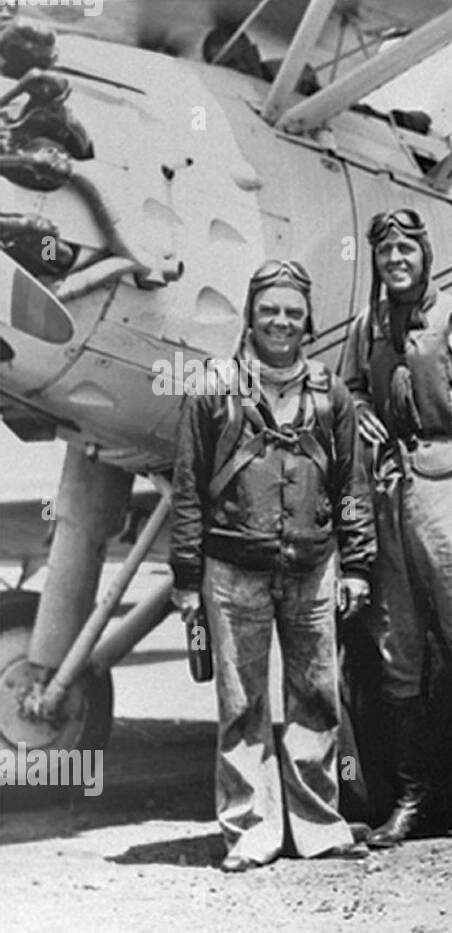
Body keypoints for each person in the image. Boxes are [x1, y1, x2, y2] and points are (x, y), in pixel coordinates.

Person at [170, 259, 376, 873]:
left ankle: (317, 825)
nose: (281, 322)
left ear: (307, 319)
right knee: (241, 705)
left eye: (292, 312)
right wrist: (186, 580)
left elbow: (350, 487)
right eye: (269, 311)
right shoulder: (212, 389)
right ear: (251, 317)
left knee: (315, 698)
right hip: (232, 570)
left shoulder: (331, 393)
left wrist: (358, 564)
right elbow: (187, 489)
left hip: (313, 567)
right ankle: (251, 829)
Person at [341, 208, 452, 850]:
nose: (395, 260)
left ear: (426, 255)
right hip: (391, 492)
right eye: (385, 251)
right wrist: (359, 408)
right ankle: (413, 799)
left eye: (406, 249)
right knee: (399, 650)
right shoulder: (368, 327)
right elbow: (351, 388)